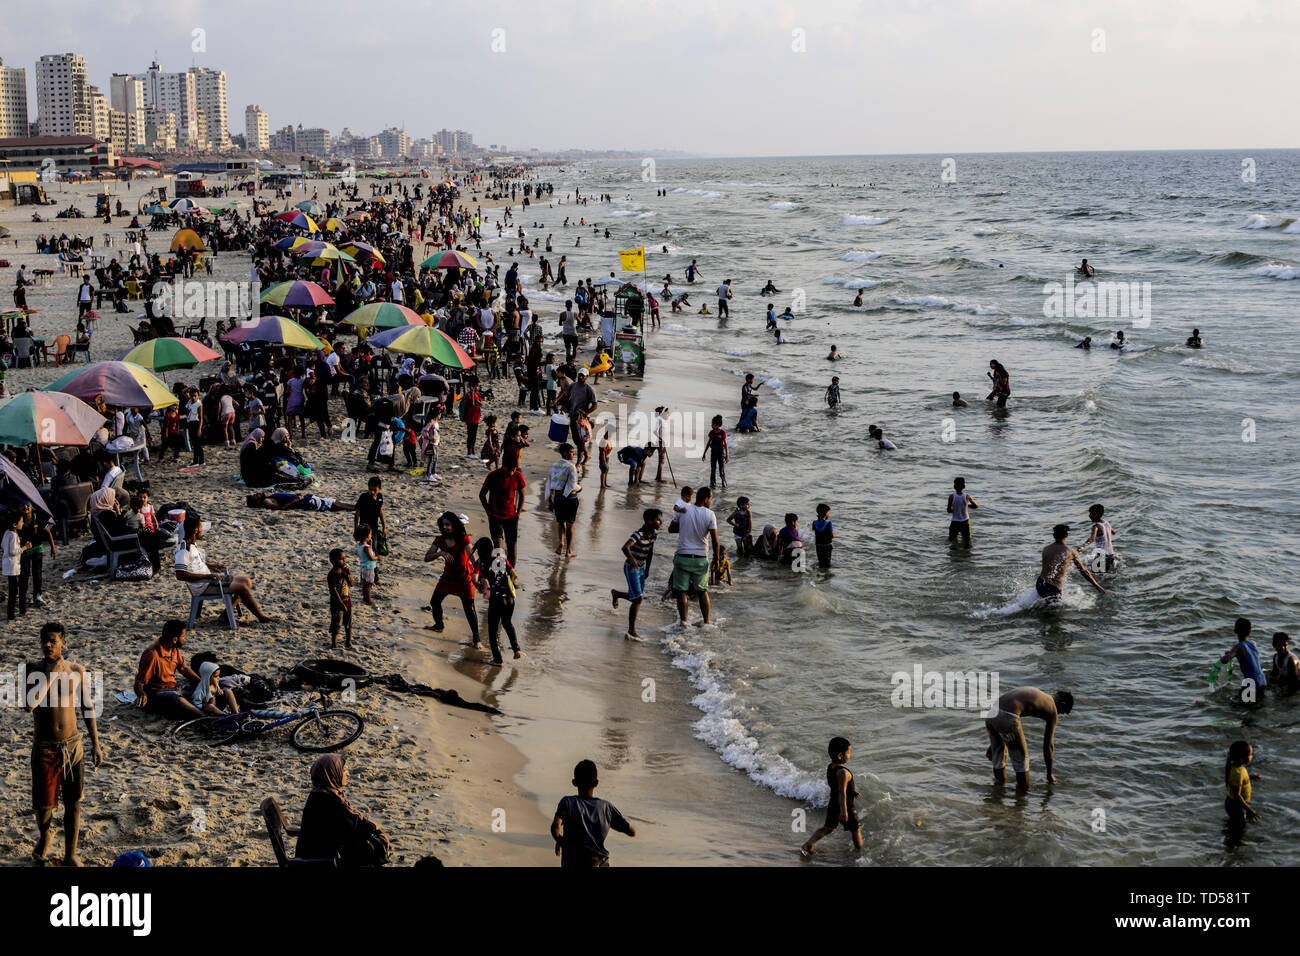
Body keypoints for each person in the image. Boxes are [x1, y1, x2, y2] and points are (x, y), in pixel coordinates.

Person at [25, 622, 104, 866]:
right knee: (44, 804)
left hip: (72, 745)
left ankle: (70, 854)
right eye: (44, 641)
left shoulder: (76, 670)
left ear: (63, 643)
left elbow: (87, 708)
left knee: (74, 802)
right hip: (45, 746)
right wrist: (52, 674)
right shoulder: (32, 670)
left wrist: (96, 744)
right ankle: (46, 835)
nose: (48, 645)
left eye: (53, 640)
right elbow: (30, 704)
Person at [175, 516, 275, 623]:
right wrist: (206, 576)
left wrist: (211, 566)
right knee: (242, 588)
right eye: (200, 528)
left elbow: (195, 564)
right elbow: (180, 575)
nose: (202, 530)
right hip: (203, 585)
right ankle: (261, 617)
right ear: (195, 530)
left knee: (246, 581)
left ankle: (226, 615)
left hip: (208, 581)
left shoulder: (192, 544)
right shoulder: (184, 550)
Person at [296, 754, 390, 866]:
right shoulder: (330, 801)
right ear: (332, 773)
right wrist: (376, 829)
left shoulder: (319, 793)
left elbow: (350, 822)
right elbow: (354, 826)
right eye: (344, 770)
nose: (347, 773)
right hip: (320, 861)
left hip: (320, 852)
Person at [983, 686, 1074, 792]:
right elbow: (1048, 746)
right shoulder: (1053, 709)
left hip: (991, 713)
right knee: (1022, 761)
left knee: (999, 759)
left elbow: (1010, 708)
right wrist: (1050, 774)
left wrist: (997, 740)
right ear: (1062, 704)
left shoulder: (1039, 695)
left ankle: (998, 793)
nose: (1058, 714)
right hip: (1007, 715)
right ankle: (1022, 798)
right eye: (1061, 712)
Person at [550, 759, 636, 867]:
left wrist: (562, 842)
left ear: (574, 782)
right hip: (600, 862)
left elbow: (555, 828)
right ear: (596, 783)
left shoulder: (568, 802)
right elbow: (631, 832)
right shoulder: (606, 807)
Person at [425, 512, 481, 645]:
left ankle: (477, 640)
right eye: (443, 525)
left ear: (454, 525)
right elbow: (426, 558)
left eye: (448, 525)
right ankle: (439, 625)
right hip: (448, 578)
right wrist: (440, 553)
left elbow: (474, 560)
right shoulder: (439, 540)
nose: (445, 527)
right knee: (435, 602)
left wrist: (478, 576)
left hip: (464, 579)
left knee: (469, 610)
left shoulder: (463, 539)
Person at [799, 737, 862, 856]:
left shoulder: (831, 767)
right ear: (840, 755)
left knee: (828, 828)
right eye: (848, 752)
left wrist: (852, 791)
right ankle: (860, 852)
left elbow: (837, 786)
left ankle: (809, 844)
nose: (850, 755)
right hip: (845, 806)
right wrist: (844, 812)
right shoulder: (843, 772)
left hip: (833, 803)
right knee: (855, 829)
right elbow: (842, 792)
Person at [133, 619, 205, 718]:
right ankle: (204, 716)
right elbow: (139, 682)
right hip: (156, 694)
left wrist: (201, 682)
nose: (184, 639)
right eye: (183, 636)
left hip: (172, 688)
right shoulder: (152, 655)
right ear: (175, 639)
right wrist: (142, 695)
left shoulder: (174, 650)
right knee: (175, 697)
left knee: (196, 688)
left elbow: (184, 669)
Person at [671, 486, 721, 626]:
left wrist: (685, 527)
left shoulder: (684, 510)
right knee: (702, 591)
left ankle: (684, 622)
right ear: (706, 499)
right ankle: (707, 621)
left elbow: (671, 529)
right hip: (700, 558)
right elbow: (715, 541)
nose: (711, 501)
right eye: (711, 498)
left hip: (682, 555)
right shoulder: (710, 514)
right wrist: (716, 559)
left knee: (681, 592)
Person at [611, 509, 661, 640]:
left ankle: (617, 594)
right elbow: (625, 547)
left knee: (636, 598)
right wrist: (633, 561)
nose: (660, 522)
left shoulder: (654, 534)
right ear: (649, 521)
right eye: (658, 519)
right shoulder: (638, 534)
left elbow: (650, 552)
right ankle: (631, 630)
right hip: (631, 568)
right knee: (638, 598)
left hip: (641, 569)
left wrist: (648, 569)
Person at [474, 537, 521, 665]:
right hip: (509, 598)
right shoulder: (500, 559)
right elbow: (514, 574)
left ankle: (497, 659)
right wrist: (507, 584)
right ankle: (517, 650)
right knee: (507, 623)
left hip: (496, 600)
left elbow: (474, 578)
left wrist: (479, 587)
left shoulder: (480, 562)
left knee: (492, 630)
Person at [1034, 524, 1106, 604]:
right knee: (1055, 613)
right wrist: (1097, 586)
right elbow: (1083, 571)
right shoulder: (1070, 552)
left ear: (1054, 535)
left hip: (1040, 584)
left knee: (1044, 603)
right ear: (1067, 535)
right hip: (1053, 588)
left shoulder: (1046, 549)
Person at [479, 459, 527, 567]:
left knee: (512, 546)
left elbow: (522, 494)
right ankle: (499, 573)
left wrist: (518, 512)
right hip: (495, 516)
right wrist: (488, 512)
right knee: (498, 546)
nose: (512, 471)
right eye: (510, 468)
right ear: (503, 466)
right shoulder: (493, 475)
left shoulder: (518, 476)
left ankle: (511, 574)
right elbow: (482, 495)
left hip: (511, 517)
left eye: (514, 468)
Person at [545, 443, 581, 558]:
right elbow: (573, 485)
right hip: (570, 498)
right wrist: (580, 488)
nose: (573, 453)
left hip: (558, 498)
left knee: (561, 522)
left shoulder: (554, 465)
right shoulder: (571, 466)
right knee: (571, 524)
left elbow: (549, 484)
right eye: (571, 452)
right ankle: (568, 551)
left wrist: (549, 500)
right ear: (565, 453)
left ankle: (561, 543)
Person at [1220, 617, 1267, 702]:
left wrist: (1223, 657)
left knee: (1238, 707)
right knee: (1257, 704)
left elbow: (1225, 660)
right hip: (1262, 680)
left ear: (1235, 631)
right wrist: (1232, 653)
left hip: (1251, 683)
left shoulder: (1238, 647)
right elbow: (1247, 655)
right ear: (1250, 632)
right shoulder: (1253, 643)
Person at [1224, 741, 1260, 832]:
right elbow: (1237, 795)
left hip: (1233, 804)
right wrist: (1249, 809)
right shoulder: (1237, 774)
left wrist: (1250, 777)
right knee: (1239, 828)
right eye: (1250, 755)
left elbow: (1241, 779)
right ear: (1241, 758)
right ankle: (1233, 842)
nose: (1251, 757)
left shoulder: (1239, 768)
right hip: (1236, 805)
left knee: (1235, 824)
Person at [354, 477, 389, 559]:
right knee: (368, 548)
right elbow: (357, 513)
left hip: (375, 527)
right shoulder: (364, 497)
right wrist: (356, 528)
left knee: (374, 546)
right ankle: (373, 566)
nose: (372, 492)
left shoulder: (380, 497)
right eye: (370, 489)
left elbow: (380, 512)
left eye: (374, 490)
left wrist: (384, 527)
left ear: (380, 488)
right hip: (365, 529)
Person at [328, 547, 353, 650]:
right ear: (333, 561)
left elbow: (351, 584)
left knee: (348, 623)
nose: (344, 561)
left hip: (347, 601)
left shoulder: (344, 571)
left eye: (344, 558)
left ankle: (348, 642)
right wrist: (341, 604)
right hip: (337, 603)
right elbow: (333, 591)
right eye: (341, 559)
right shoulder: (332, 574)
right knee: (336, 623)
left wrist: (349, 574)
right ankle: (334, 643)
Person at [4, 510, 26, 619]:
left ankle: (11, 613)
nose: (22, 523)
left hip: (8, 565)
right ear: (14, 524)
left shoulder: (7, 533)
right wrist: (23, 548)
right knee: (13, 591)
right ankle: (11, 614)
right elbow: (13, 551)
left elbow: (4, 546)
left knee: (12, 590)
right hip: (12, 566)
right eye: (21, 522)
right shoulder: (13, 535)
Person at [244, 491, 354, 512]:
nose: (257, 494)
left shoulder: (268, 497)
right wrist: (295, 499)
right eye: (255, 496)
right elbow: (281, 508)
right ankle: (355, 508)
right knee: (332, 504)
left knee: (333, 502)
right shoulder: (266, 501)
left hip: (303, 499)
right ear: (257, 502)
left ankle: (356, 507)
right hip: (303, 502)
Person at [1083, 504, 1116, 571]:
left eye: (1090, 513)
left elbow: (1092, 539)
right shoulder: (1107, 523)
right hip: (1111, 555)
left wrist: (1082, 547)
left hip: (1101, 556)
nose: (1089, 516)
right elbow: (1114, 532)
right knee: (1104, 575)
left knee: (1092, 576)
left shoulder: (1096, 527)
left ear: (1096, 514)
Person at [947, 477, 978, 546]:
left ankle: (953, 555)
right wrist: (967, 505)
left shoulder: (951, 497)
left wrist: (955, 509)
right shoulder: (967, 496)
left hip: (955, 522)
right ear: (964, 486)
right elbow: (976, 506)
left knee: (951, 540)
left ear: (954, 486)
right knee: (967, 541)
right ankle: (966, 555)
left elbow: (948, 510)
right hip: (965, 522)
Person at [354, 525, 379, 606]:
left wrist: (370, 545)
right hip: (369, 568)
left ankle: (365, 598)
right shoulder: (366, 547)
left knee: (365, 584)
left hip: (363, 567)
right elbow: (371, 557)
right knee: (368, 585)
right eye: (370, 534)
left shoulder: (360, 545)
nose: (371, 535)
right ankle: (368, 600)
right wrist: (377, 558)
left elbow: (367, 553)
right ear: (366, 536)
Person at [703, 414, 729, 489]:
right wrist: (704, 453)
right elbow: (708, 443)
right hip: (713, 453)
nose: (711, 425)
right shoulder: (711, 433)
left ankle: (723, 482)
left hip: (721, 453)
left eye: (713, 424)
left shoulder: (722, 433)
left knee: (721, 470)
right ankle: (712, 484)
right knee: (713, 469)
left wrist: (727, 455)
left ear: (718, 424)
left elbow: (725, 444)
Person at [812, 503, 835, 568]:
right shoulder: (829, 523)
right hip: (827, 546)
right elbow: (832, 535)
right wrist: (834, 535)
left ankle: (820, 574)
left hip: (818, 545)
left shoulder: (814, 522)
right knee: (827, 563)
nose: (829, 514)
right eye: (828, 512)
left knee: (820, 561)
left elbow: (815, 531)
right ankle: (826, 576)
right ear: (825, 513)